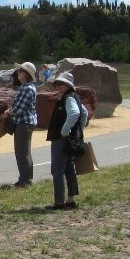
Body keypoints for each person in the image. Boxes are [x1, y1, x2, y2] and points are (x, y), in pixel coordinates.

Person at [45, 72, 87, 210]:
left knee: (57, 170)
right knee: (69, 168)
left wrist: (65, 130)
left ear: (68, 85)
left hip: (62, 139)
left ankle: (59, 202)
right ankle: (70, 199)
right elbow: (84, 113)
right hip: (70, 140)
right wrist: (79, 129)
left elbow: (75, 113)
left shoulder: (68, 98)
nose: (58, 86)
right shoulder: (72, 97)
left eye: (61, 84)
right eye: (56, 83)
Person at [3, 62, 39, 188]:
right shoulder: (26, 87)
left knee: (22, 153)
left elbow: (19, 108)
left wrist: (8, 113)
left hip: (24, 123)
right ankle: (26, 178)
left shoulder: (27, 89)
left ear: (27, 74)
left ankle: (24, 180)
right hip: (24, 122)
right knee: (25, 152)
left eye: (21, 71)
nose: (18, 73)